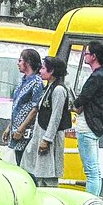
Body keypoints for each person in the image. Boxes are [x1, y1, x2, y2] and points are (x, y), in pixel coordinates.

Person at [21, 57, 70, 187]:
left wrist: (47, 139)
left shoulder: (59, 90)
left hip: (50, 137)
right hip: (40, 132)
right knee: (37, 169)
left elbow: (56, 117)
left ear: (52, 71)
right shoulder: (49, 87)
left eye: (43, 68)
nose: (40, 71)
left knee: (48, 174)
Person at [73, 41, 103, 196]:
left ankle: (90, 201)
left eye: (87, 53)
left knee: (91, 171)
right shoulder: (101, 75)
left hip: (87, 125)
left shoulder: (96, 77)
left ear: (94, 57)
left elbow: (81, 99)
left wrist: (74, 104)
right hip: (94, 126)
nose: (85, 55)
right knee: (94, 169)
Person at [2, 49, 43, 165]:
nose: (18, 63)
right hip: (16, 129)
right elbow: (17, 107)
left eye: (20, 61)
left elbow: (35, 109)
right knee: (18, 159)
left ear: (28, 62)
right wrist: (10, 127)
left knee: (25, 162)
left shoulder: (37, 82)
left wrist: (21, 129)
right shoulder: (22, 81)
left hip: (26, 131)